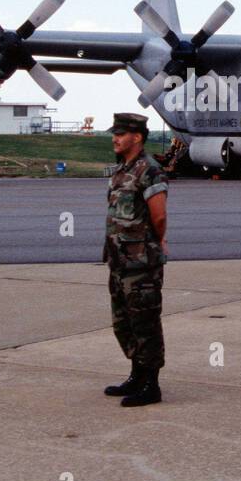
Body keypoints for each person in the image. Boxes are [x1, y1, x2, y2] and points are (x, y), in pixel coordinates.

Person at [101, 113, 169, 407]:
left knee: (145, 322)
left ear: (137, 137)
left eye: (121, 133)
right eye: (114, 133)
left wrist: (155, 243)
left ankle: (151, 385)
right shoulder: (121, 170)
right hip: (118, 261)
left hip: (141, 263)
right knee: (123, 322)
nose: (115, 138)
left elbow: (160, 215)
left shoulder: (149, 171)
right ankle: (136, 375)